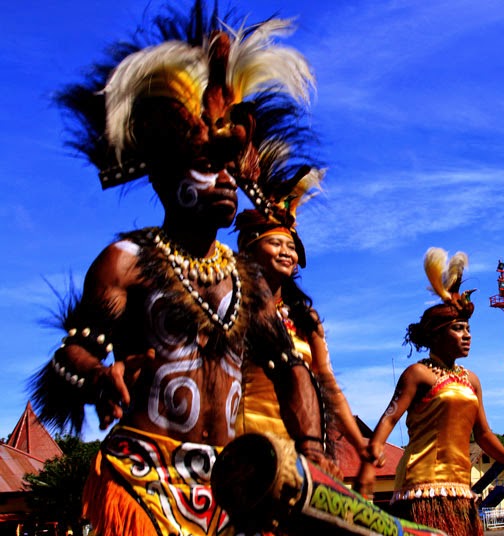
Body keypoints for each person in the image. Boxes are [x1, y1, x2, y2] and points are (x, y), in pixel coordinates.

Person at [29, 5, 332, 535]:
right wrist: (98, 376)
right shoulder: (126, 262)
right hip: (142, 483)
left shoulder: (249, 282)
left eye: (230, 170)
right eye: (208, 167)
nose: (225, 183)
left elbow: (290, 368)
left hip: (227, 488)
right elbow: (68, 359)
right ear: (168, 175)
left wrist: (310, 451)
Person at [357, 248, 504, 536]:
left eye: (468, 329)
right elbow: (389, 418)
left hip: (461, 489)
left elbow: (483, 435)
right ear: (437, 335)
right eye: (458, 328)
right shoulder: (418, 374)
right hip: (421, 490)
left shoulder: (471, 380)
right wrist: (370, 456)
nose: (467, 335)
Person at [234, 202, 369, 468]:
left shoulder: (306, 319)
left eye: (292, 247)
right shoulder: (232, 304)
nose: (286, 252)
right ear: (249, 249)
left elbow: (327, 382)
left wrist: (359, 442)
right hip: (245, 440)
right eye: (275, 243)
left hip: (302, 447)